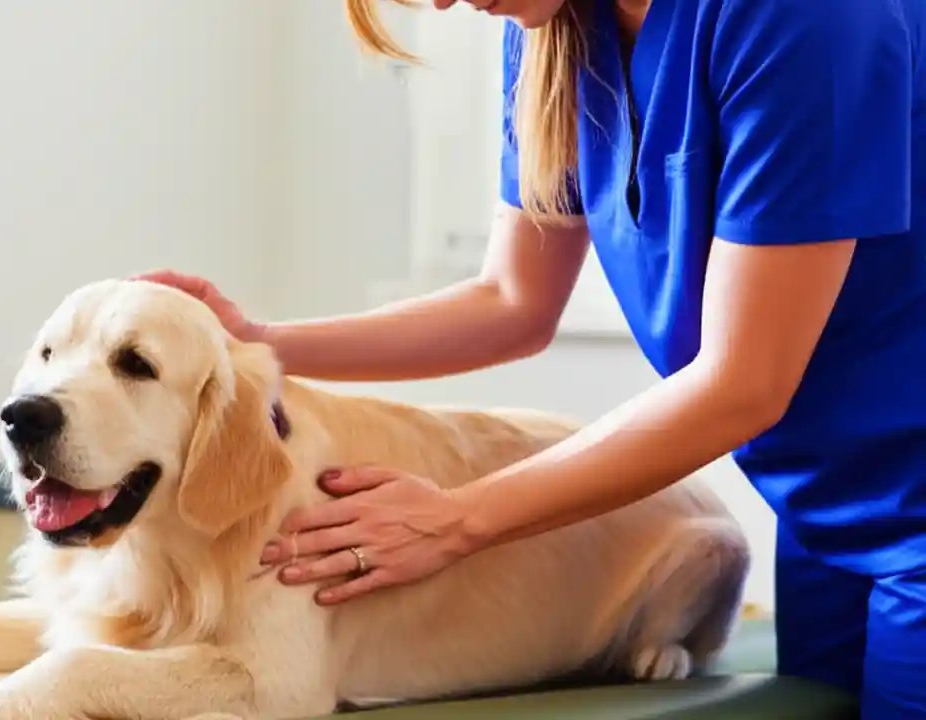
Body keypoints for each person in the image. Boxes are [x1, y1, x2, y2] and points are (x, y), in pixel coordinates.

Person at [139, 0, 925, 716]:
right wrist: (255, 342)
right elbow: (512, 302)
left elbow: (741, 384)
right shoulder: (557, 32)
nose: (444, 3)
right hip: (825, 511)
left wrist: (457, 519)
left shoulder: (806, 18)